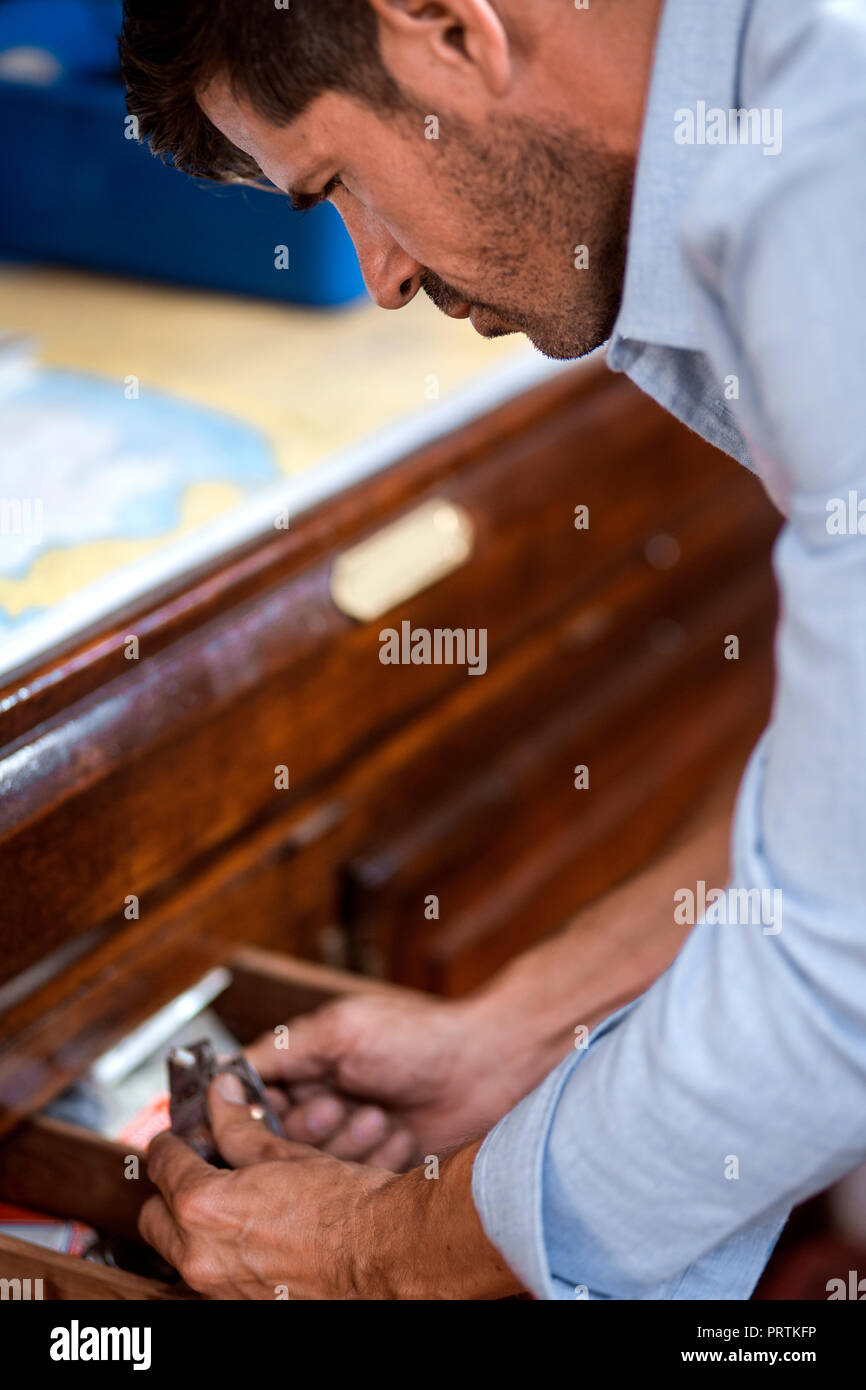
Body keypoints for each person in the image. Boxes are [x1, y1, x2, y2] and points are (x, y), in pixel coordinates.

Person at [121, 0, 866, 1299]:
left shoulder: (826, 176)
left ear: (448, 30)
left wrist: (379, 1249)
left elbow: (830, 965)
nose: (381, 276)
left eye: (342, 183)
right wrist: (522, 1028)